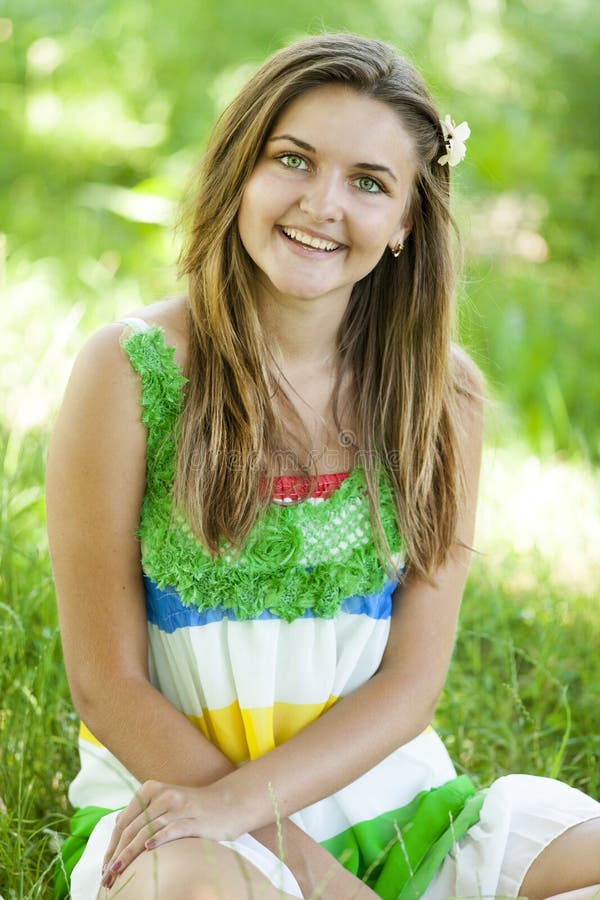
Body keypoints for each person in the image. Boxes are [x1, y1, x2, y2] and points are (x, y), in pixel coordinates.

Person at [46, 32, 600, 900]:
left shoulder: (442, 399)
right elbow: (105, 682)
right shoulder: (130, 372)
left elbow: (412, 684)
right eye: (294, 160)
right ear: (242, 170)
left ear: (406, 223)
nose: (322, 204)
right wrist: (300, 863)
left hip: (387, 803)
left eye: (369, 183)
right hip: (184, 812)